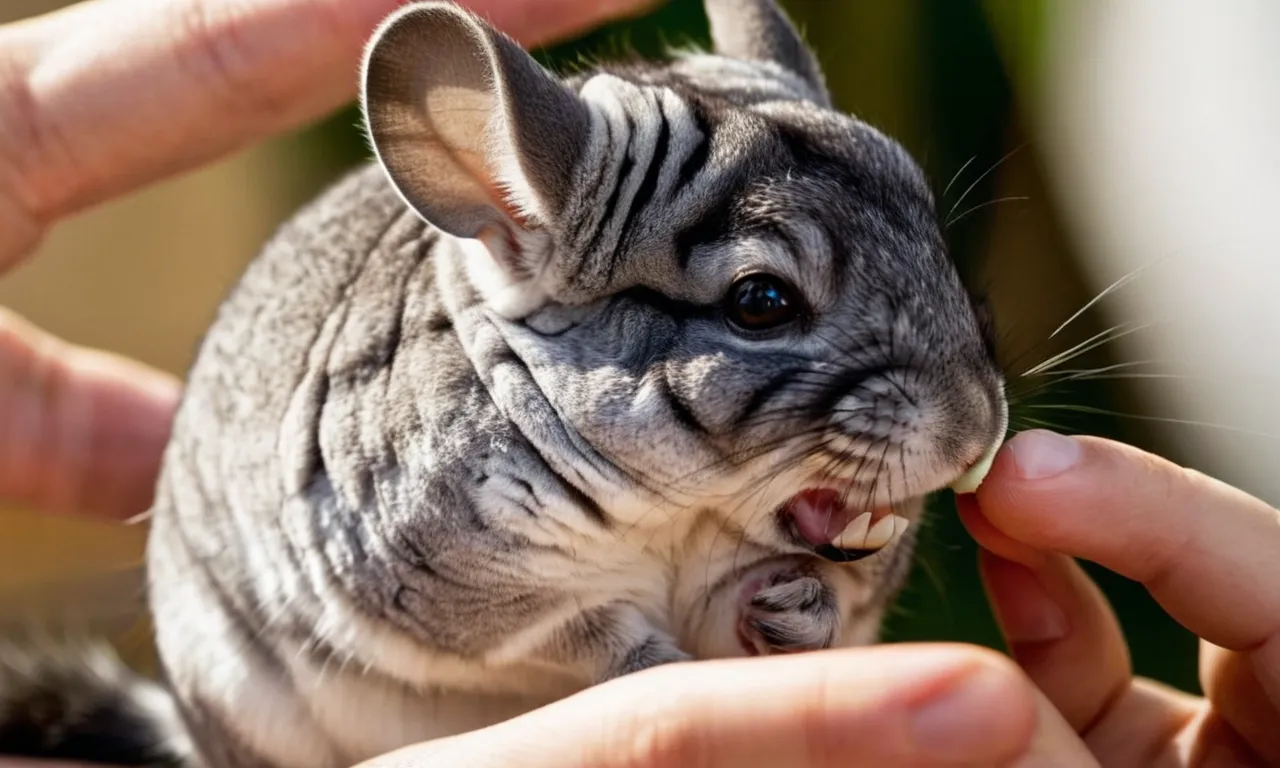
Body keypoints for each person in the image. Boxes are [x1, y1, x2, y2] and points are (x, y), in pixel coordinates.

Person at [1, 0, 1276, 765]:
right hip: (311, 713)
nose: (962, 423)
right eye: (763, 302)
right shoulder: (450, 435)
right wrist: (613, 642)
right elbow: (398, 581)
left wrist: (794, 600)